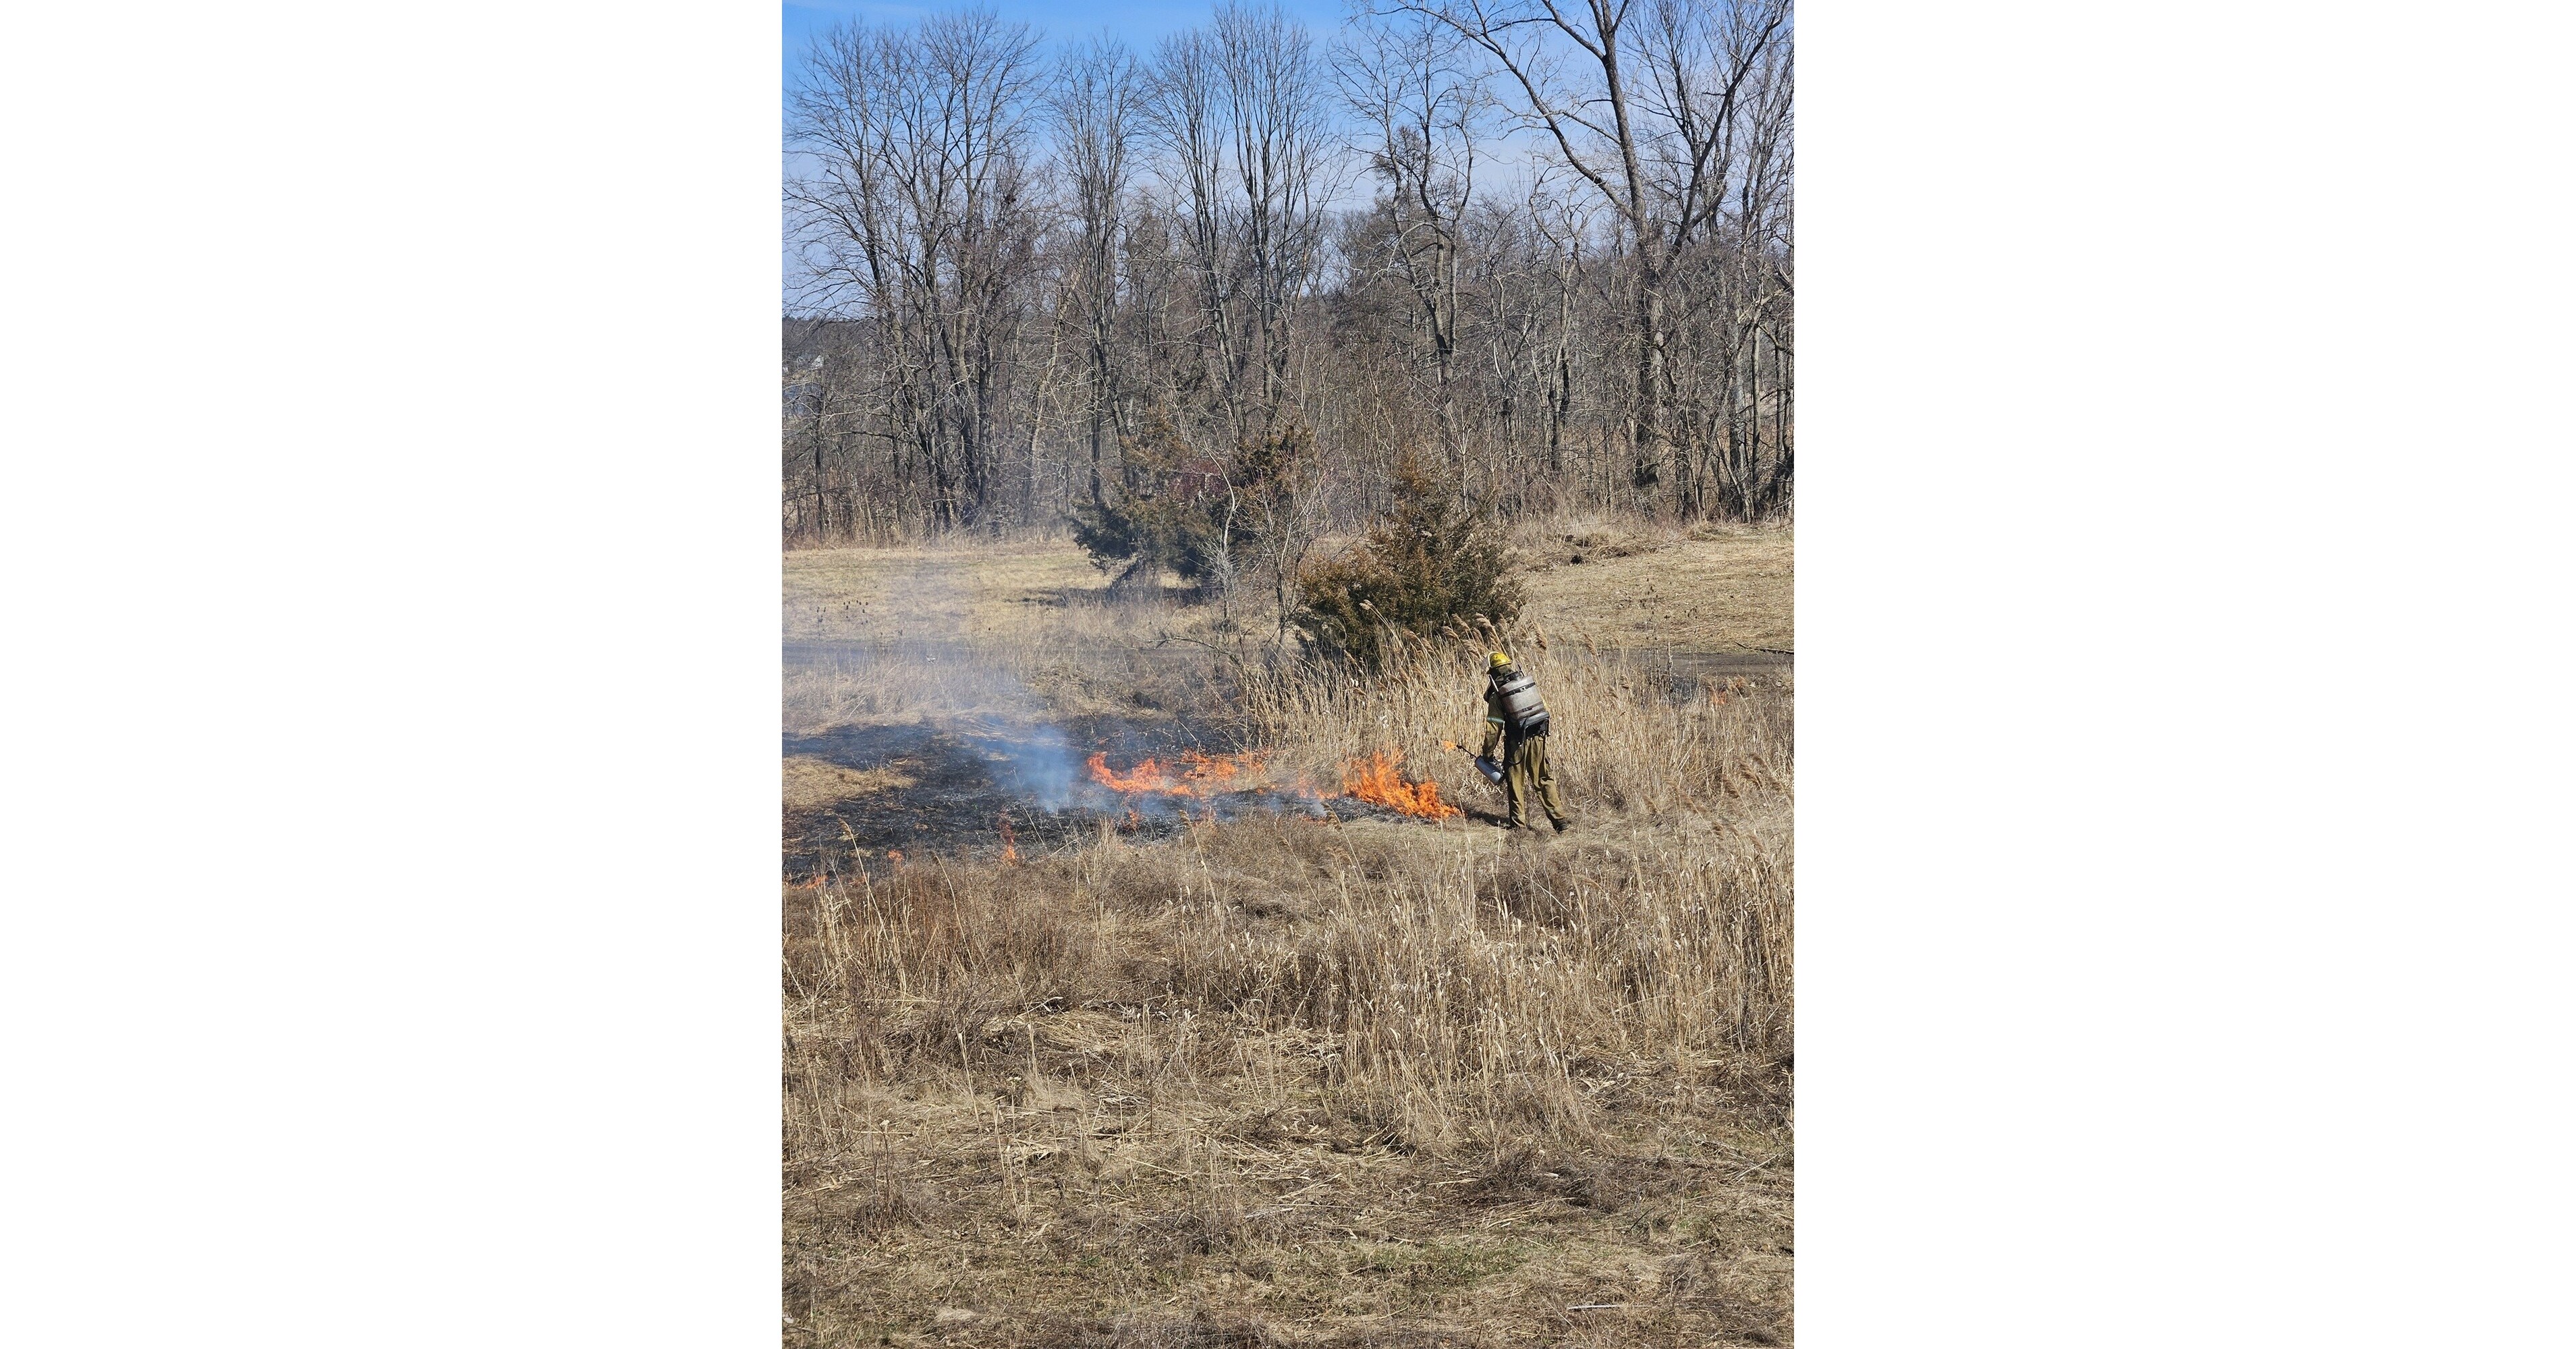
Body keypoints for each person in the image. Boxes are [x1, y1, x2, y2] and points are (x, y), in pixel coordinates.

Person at [1479, 651, 1569, 833]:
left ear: (1494, 672)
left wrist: (1487, 754)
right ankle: (1560, 822)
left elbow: (1493, 729)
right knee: (1543, 778)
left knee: (1515, 782)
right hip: (1538, 737)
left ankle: (1518, 826)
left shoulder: (1498, 695)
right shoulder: (1525, 685)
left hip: (1516, 743)